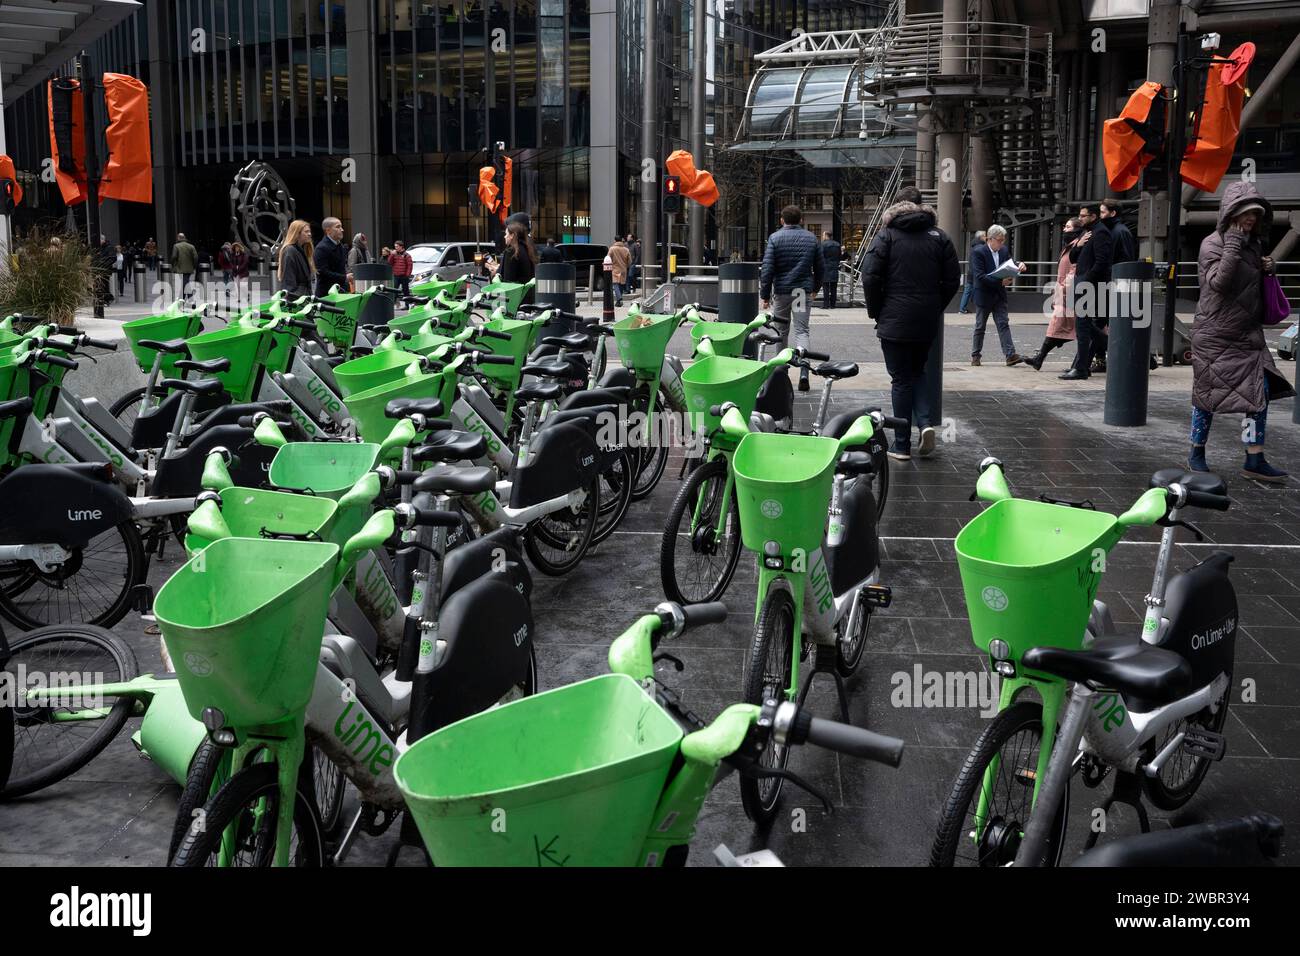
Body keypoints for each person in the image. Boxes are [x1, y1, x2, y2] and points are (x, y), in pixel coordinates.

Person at [1187, 182, 1293, 482]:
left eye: (1256, 214)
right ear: (1231, 213)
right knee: (1207, 397)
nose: (1251, 219)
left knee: (1260, 394)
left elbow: (1251, 287)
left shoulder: (1253, 244)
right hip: (1215, 334)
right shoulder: (1212, 244)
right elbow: (1219, 283)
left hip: (1248, 334)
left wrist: (1269, 269)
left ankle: (1254, 457)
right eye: (1246, 213)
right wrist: (1233, 243)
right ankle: (1196, 452)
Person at [862, 185, 960, 460]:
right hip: (925, 319)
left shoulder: (887, 235)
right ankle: (926, 424)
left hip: (894, 317)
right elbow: (953, 279)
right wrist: (934, 306)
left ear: (897, 205)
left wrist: (877, 311)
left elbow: (870, 277)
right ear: (922, 205)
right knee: (918, 373)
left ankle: (901, 443)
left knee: (900, 379)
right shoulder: (939, 237)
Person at [760, 205, 824, 391]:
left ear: (782, 220)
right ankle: (804, 372)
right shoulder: (811, 238)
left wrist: (765, 295)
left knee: (781, 332)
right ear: (801, 220)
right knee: (802, 331)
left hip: (782, 291)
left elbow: (768, 268)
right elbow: (820, 267)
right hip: (802, 290)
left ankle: (781, 373)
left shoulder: (775, 238)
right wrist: (815, 287)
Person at [1059, 203, 1113, 380]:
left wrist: (1086, 280)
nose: (1080, 218)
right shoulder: (1085, 232)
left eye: (1083, 216)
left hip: (1090, 286)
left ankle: (1081, 368)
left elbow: (1102, 262)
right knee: (1085, 326)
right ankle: (1111, 348)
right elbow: (1073, 258)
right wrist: (1079, 245)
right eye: (1080, 216)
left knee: (1083, 327)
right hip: (1083, 285)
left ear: (1093, 216)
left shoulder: (1101, 232)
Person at [1026, 219, 1083, 371]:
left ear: (1076, 229)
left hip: (1072, 296)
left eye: (1068, 226)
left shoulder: (1077, 247)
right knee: (1059, 328)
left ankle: (1080, 365)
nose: (1064, 229)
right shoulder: (1070, 246)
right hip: (1065, 296)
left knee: (1086, 331)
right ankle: (1040, 358)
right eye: (1064, 226)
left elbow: (1073, 272)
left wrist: (1060, 290)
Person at [970, 224, 1026, 366]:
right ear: (990, 239)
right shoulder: (978, 252)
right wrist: (1000, 282)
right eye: (1000, 240)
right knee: (980, 326)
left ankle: (1010, 355)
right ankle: (976, 356)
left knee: (1003, 324)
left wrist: (1019, 264)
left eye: (1003, 240)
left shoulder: (1003, 250)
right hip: (984, 294)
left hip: (999, 295)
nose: (1002, 243)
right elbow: (979, 276)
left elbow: (1010, 263)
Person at [1095, 199, 1137, 372]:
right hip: (1110, 285)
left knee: (1099, 324)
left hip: (1114, 286)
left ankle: (1098, 360)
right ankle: (1098, 360)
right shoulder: (1112, 231)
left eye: (1103, 212)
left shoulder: (1119, 232)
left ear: (1113, 213)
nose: (1100, 215)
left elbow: (1125, 261)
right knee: (1100, 323)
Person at [495, 221, 537, 304]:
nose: (504, 236)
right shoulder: (527, 249)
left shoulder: (512, 251)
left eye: (506, 234)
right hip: (526, 298)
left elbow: (508, 280)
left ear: (512, 235)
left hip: (513, 300)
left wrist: (497, 272)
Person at [277, 219, 315, 298]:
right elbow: (289, 280)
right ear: (297, 233)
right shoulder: (290, 251)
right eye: (306, 232)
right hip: (297, 297)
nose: (309, 234)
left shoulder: (301, 249)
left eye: (309, 231)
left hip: (302, 296)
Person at [314, 216, 349, 296]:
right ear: (328, 231)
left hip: (341, 291)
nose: (342, 230)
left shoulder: (340, 246)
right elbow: (323, 272)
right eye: (338, 227)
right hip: (327, 295)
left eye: (341, 227)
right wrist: (344, 277)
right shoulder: (321, 248)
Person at [959, 230, 987, 313]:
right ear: (981, 237)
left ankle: (962, 309)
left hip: (971, 272)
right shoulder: (981, 247)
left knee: (967, 291)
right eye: (985, 236)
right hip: (976, 273)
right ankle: (983, 308)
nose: (986, 237)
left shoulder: (974, 246)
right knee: (980, 290)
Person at [819, 231, 841, 309]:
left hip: (825, 267)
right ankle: (833, 305)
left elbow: (820, 256)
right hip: (834, 267)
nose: (822, 236)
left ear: (826, 235)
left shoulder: (823, 244)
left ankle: (826, 305)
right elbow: (839, 256)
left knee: (825, 287)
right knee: (833, 287)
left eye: (823, 235)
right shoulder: (837, 244)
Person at [607, 236, 631, 306]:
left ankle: (619, 298)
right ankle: (618, 301)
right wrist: (626, 266)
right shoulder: (626, 249)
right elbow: (629, 261)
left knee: (615, 284)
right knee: (621, 285)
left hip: (615, 269)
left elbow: (608, 258)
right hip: (623, 270)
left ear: (615, 241)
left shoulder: (612, 249)